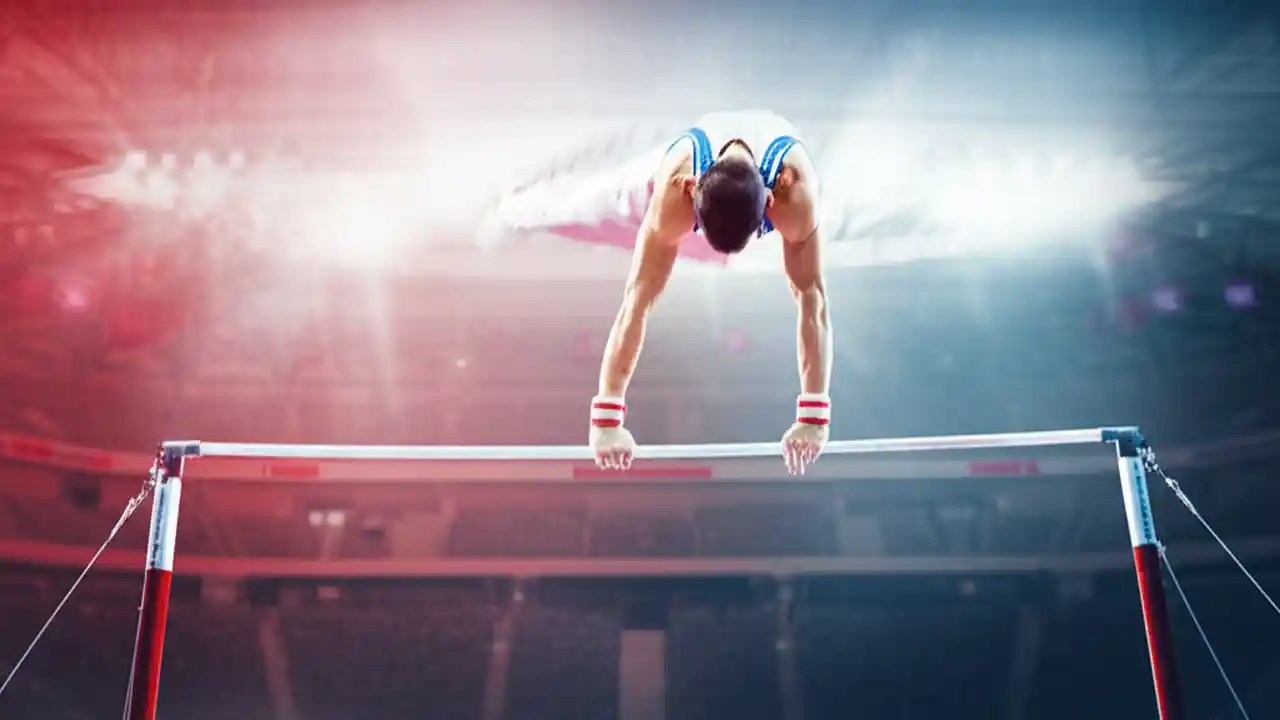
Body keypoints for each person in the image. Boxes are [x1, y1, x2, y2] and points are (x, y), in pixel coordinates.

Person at [586, 110, 832, 475]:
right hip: (676, 183)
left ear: (770, 202)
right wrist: (605, 421)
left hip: (752, 175)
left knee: (809, 280)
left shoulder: (794, 192)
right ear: (690, 187)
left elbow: (812, 300)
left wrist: (814, 417)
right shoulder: (674, 192)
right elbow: (636, 302)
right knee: (610, 206)